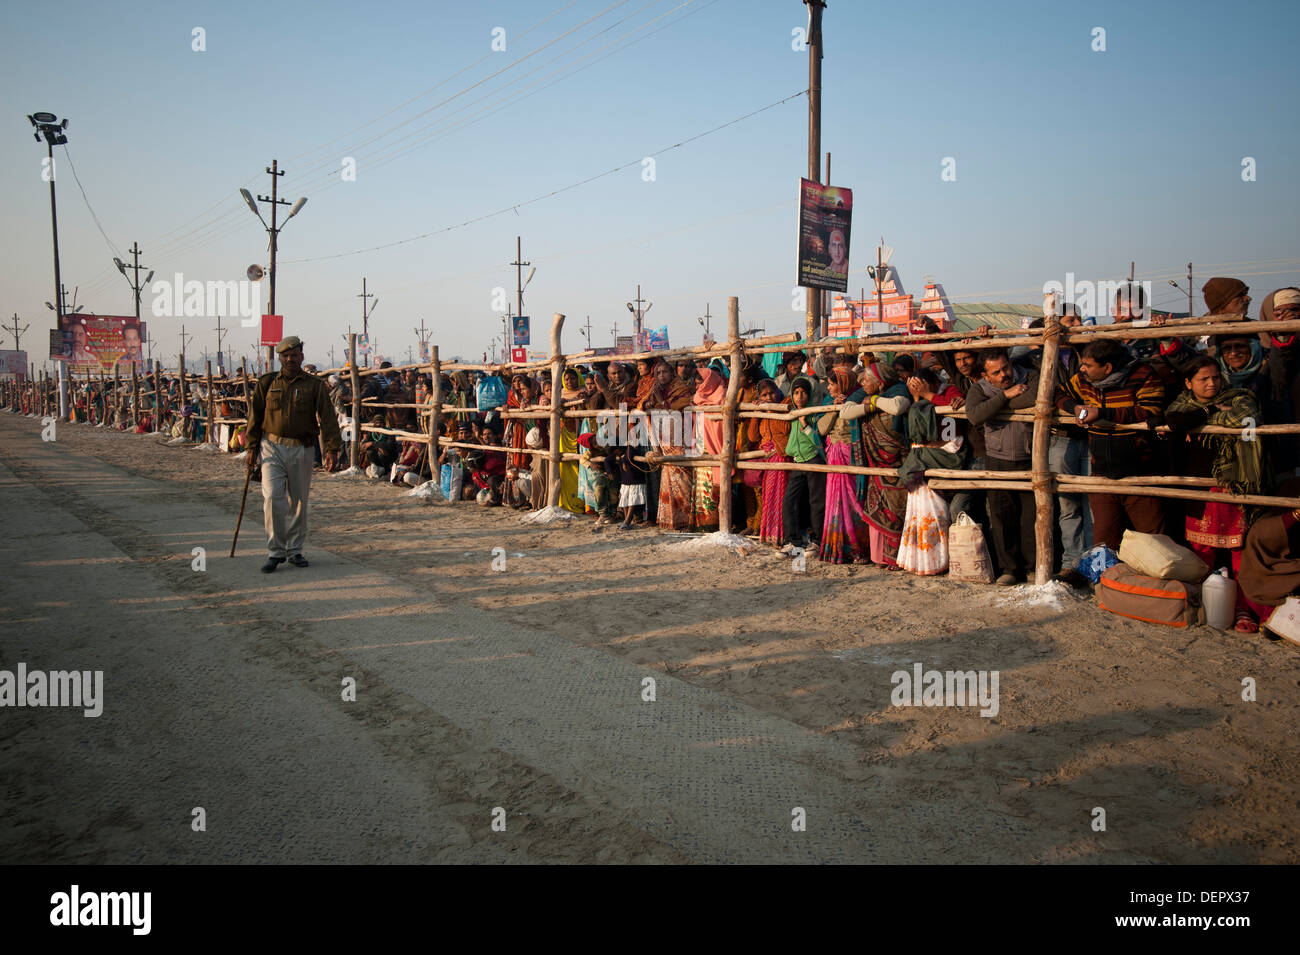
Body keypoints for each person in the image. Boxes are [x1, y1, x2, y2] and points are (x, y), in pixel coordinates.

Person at [1164, 356, 1270, 631]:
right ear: (1188, 383)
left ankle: (1242, 609)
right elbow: (1174, 419)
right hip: (1200, 487)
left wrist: (1198, 420)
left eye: (1215, 377)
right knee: (1200, 550)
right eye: (1204, 379)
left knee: (1239, 550)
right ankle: (1201, 605)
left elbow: (1245, 418)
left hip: (1236, 484)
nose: (1212, 383)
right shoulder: (1182, 404)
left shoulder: (1240, 396)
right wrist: (1210, 413)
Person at [1055, 339, 1166, 548]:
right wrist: (1075, 408)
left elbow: (1151, 410)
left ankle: (1149, 581)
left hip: (1140, 471)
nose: (1082, 369)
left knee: (1152, 539)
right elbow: (1058, 393)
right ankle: (1105, 581)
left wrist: (1103, 413)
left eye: (1088, 365)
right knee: (1105, 540)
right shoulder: (1084, 379)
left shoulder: (1143, 375)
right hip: (1102, 472)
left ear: (1108, 368)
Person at [245, 336, 342, 573]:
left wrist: (332, 448)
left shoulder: (314, 385)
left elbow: (328, 417)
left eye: (294, 355)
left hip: (302, 448)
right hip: (271, 448)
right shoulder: (267, 383)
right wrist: (250, 446)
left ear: (301, 357)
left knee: (298, 502)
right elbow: (255, 416)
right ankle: (275, 551)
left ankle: (295, 550)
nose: (290, 359)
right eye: (285, 356)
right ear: (280, 358)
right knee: (272, 498)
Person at [967, 349, 1039, 584]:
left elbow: (1035, 397)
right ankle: (1010, 569)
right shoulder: (979, 389)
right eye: (996, 372)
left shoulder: (1029, 377)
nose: (1004, 374)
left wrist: (995, 406)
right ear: (985, 376)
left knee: (1031, 518)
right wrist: (1005, 396)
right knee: (1001, 517)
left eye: (1006, 368)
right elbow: (976, 415)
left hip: (1029, 456)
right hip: (997, 458)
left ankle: (1033, 567)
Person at [816, 369, 872, 563]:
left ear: (843, 384)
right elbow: (822, 428)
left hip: (851, 455)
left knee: (853, 500)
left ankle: (858, 548)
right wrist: (833, 408)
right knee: (835, 500)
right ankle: (836, 547)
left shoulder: (858, 399)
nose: (829, 387)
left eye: (832, 384)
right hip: (834, 454)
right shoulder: (827, 402)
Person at [747, 378, 791, 546]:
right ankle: (771, 534)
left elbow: (784, 428)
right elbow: (753, 436)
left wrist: (770, 412)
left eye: (772, 393)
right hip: (769, 461)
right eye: (764, 395)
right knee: (769, 497)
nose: (769, 397)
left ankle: (783, 535)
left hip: (783, 457)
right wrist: (757, 415)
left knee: (782, 498)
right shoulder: (763, 412)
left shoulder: (786, 404)